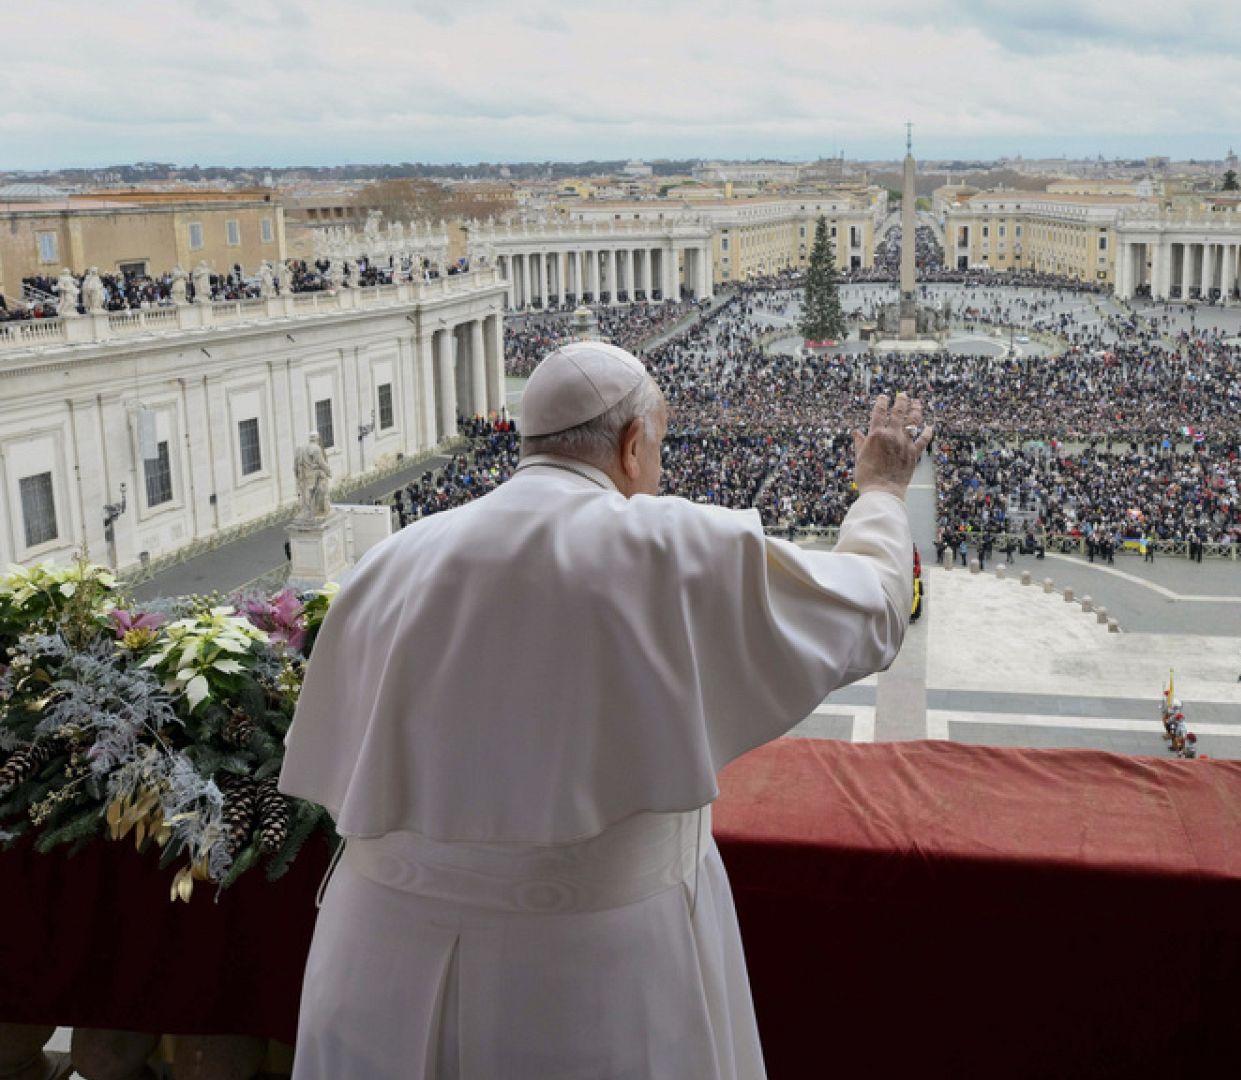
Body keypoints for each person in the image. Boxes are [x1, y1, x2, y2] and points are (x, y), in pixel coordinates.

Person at [280, 340, 931, 1079]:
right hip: (587, 973)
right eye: (656, 450)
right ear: (631, 447)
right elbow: (875, 610)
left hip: (375, 963)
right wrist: (880, 491)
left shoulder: (389, 562)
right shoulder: (665, 545)